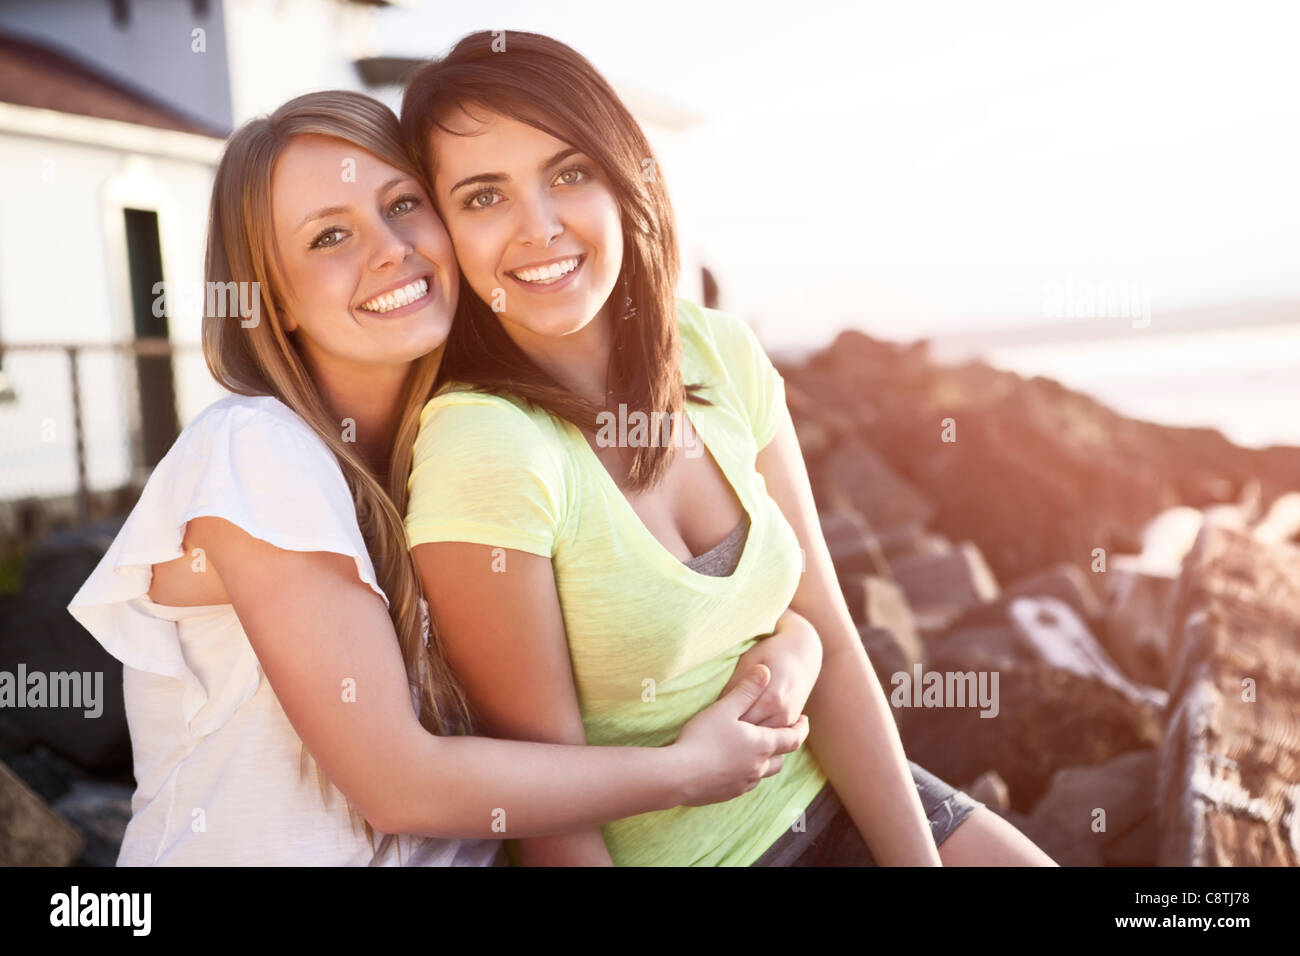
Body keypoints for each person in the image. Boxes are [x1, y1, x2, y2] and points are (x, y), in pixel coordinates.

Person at [66, 90, 811, 866]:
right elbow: (398, 784)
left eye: (402, 205)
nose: (390, 250)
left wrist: (799, 641)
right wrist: (685, 772)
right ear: (272, 300)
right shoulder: (256, 451)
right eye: (329, 237)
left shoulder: (464, 447)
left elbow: (629, 644)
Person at [399, 31, 1058, 866]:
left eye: (569, 174)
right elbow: (551, 816)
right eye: (484, 197)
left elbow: (833, 640)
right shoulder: (487, 444)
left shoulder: (714, 351)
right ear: (445, 233)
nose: (539, 227)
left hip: (828, 793)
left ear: (622, 175)